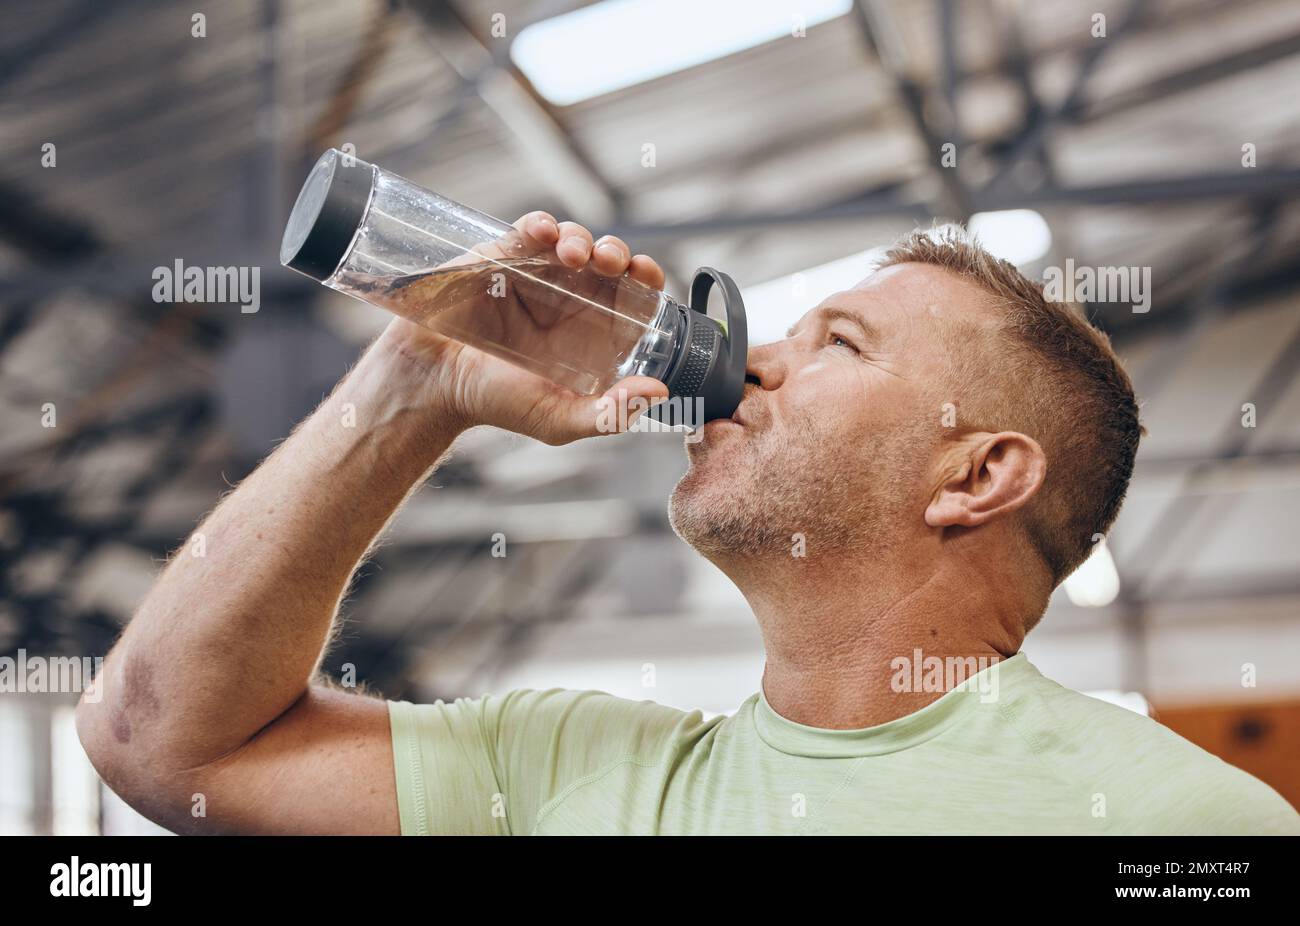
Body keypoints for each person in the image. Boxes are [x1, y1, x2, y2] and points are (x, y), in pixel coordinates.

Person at [76, 212, 1300, 835]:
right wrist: (414, 385)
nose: (753, 361)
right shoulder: (562, 766)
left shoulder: (1177, 823)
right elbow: (165, 745)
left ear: (975, 475)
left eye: (839, 344)